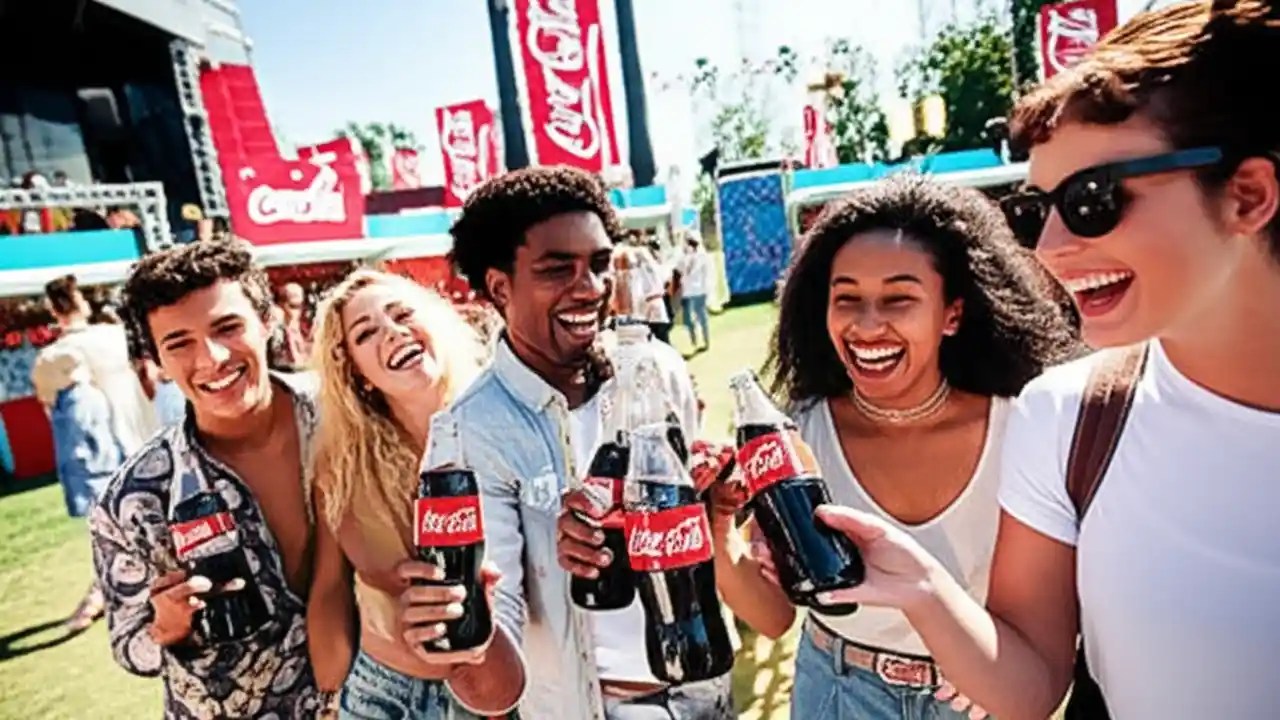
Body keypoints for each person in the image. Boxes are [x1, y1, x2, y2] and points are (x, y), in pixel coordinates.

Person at [809, 3, 1280, 719]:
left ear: (1248, 195)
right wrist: (923, 588)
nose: (1048, 247)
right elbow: (1031, 686)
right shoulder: (1069, 416)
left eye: (1092, 201)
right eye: (1038, 209)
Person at [704, 176, 1079, 720]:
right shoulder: (796, 435)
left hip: (976, 701)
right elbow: (775, 617)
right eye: (847, 299)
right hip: (835, 693)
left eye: (899, 298)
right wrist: (716, 531)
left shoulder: (1023, 426)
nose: (866, 324)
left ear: (952, 313)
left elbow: (1048, 634)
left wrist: (988, 671)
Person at [445, 166, 724, 720]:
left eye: (600, 264)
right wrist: (455, 619)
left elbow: (705, 546)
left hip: (702, 687)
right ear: (500, 287)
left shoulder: (656, 372)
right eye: (557, 270)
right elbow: (493, 632)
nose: (591, 287)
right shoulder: (469, 428)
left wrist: (718, 498)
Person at [89, 237, 328, 717]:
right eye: (179, 344)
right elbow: (131, 647)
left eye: (228, 327)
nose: (212, 358)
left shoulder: (346, 421)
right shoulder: (134, 501)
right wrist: (169, 625)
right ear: (155, 359)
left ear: (269, 321)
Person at [307, 269, 526, 718]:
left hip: (503, 685)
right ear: (356, 372)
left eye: (402, 314)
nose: (392, 332)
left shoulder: (512, 420)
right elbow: (336, 587)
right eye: (366, 333)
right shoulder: (343, 467)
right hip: (381, 692)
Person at [31, 277, 137, 632]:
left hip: (108, 449)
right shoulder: (116, 337)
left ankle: (103, 593)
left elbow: (48, 405)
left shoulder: (54, 357)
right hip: (141, 433)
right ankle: (106, 590)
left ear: (53, 309)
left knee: (111, 525)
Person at [675, 233, 711, 350]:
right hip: (687, 292)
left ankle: (706, 341)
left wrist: (707, 289)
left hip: (699, 290)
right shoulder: (682, 257)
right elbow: (678, 271)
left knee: (701, 316)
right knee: (688, 319)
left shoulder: (701, 256)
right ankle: (694, 340)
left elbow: (706, 273)